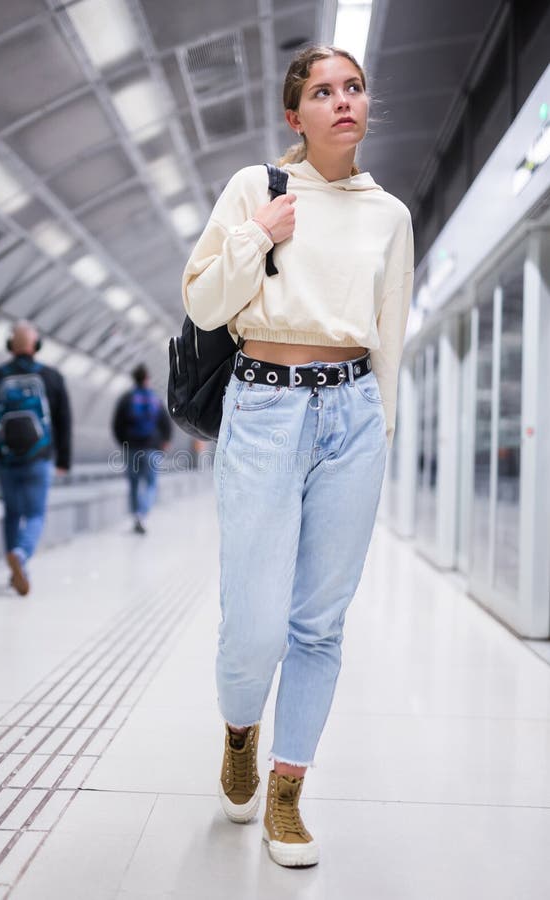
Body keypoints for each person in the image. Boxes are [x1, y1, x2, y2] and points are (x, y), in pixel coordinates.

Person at [182, 45, 413, 867]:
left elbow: (389, 331)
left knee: (318, 622)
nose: (342, 100)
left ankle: (286, 791)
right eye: (322, 91)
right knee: (252, 622)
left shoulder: (389, 215)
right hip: (264, 407)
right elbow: (202, 301)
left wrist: (380, 432)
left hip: (352, 414)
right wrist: (257, 235)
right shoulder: (258, 188)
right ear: (295, 115)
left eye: (353, 87)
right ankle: (239, 732)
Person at [0, 320, 71, 596]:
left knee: (12, 513)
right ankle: (22, 554)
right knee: (36, 514)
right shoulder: (52, 377)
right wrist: (64, 460)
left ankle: (14, 565)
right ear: (36, 345)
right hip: (39, 459)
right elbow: (64, 421)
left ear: (9, 345)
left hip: (6, 460)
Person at [112, 363, 172, 534]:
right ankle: (143, 513)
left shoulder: (126, 399)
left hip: (131, 448)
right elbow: (165, 423)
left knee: (134, 483)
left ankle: (136, 514)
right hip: (152, 448)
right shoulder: (155, 399)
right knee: (151, 483)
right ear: (147, 379)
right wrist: (165, 441)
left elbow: (117, 424)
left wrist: (123, 442)